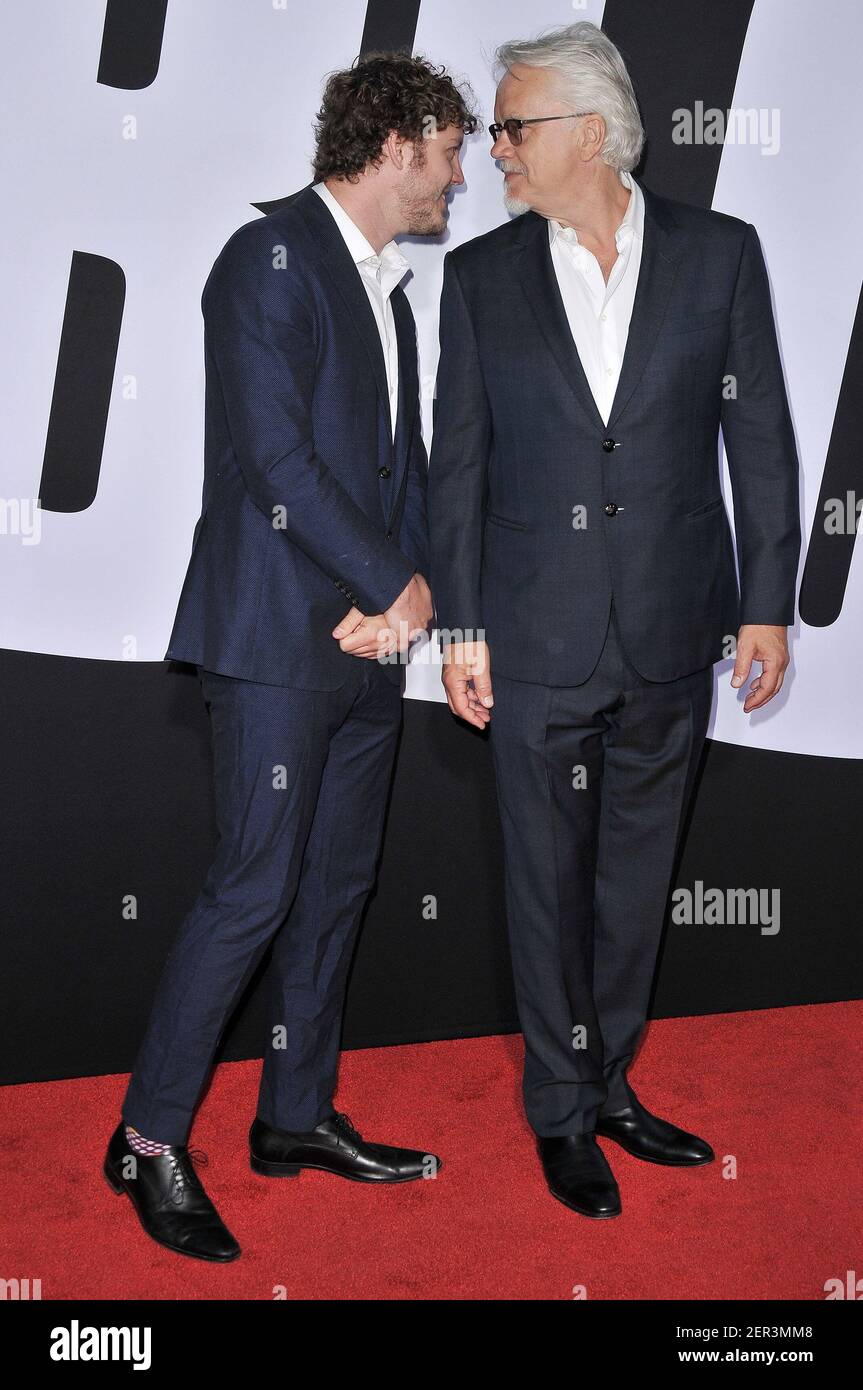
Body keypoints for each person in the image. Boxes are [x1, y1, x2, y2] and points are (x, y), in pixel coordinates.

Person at [104, 51, 478, 1261]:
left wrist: (402, 612)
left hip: (368, 651)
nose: (460, 175)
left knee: (337, 889)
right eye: (450, 151)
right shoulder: (265, 260)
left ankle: (294, 1114)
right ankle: (148, 1143)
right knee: (253, 889)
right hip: (272, 640)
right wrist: (395, 586)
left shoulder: (392, 293)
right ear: (395, 145)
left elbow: (403, 475)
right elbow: (277, 463)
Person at [428, 21, 800, 1219]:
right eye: (493, 132)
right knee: (545, 881)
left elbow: (761, 440)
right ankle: (557, 1111)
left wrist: (765, 607)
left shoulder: (718, 254)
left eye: (511, 128)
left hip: (668, 625)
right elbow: (457, 471)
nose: (494, 153)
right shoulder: (479, 279)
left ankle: (611, 1083)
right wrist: (459, 631)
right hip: (531, 638)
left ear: (588, 132)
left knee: (637, 877)